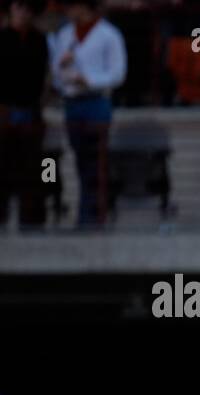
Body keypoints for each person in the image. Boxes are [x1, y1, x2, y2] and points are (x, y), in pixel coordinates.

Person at [48, 0, 126, 228]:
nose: (69, 11)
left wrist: (90, 80)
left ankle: (93, 216)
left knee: (96, 160)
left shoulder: (109, 35)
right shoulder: (65, 34)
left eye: (73, 6)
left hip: (96, 101)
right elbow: (55, 71)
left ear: (85, 7)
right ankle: (85, 214)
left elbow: (117, 73)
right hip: (72, 101)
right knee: (81, 160)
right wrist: (64, 74)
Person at [0, 0, 49, 230]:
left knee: (39, 166)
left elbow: (41, 74)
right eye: (18, 8)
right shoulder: (2, 39)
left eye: (27, 9)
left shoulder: (39, 40)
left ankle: (33, 217)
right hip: (4, 110)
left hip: (31, 109)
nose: (23, 14)